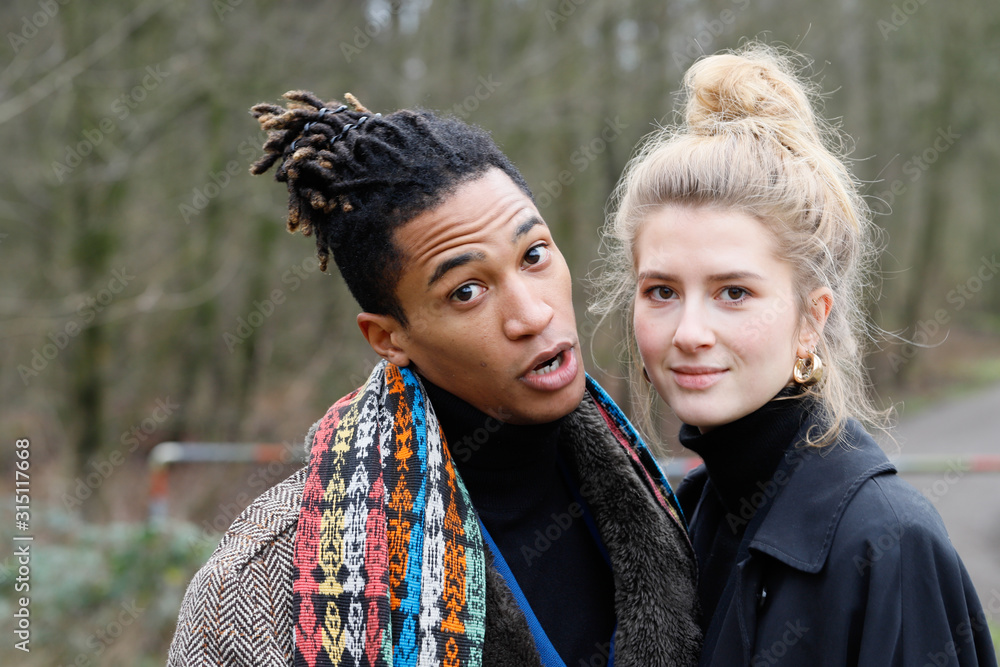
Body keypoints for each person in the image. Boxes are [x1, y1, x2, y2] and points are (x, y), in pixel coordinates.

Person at [167, 91, 702, 666]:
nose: (533, 315)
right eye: (466, 291)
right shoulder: (262, 582)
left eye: (534, 255)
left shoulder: (678, 506)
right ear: (388, 338)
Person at [592, 45, 998, 666]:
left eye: (734, 292)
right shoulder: (682, 524)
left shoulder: (887, 545)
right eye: (662, 292)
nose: (689, 332)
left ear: (812, 319)